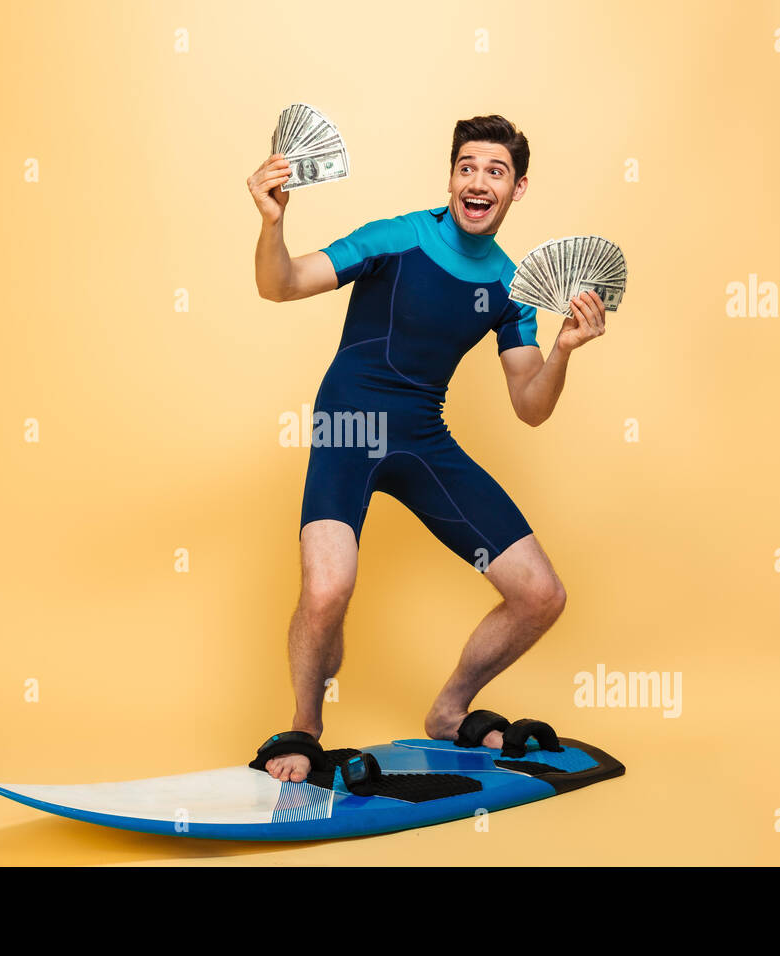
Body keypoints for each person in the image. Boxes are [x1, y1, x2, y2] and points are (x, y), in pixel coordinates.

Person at [246, 114, 608, 782]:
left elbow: (529, 406)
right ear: (450, 176)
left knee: (541, 594)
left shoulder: (510, 286)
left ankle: (449, 711)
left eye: (494, 171)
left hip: (421, 438)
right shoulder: (397, 238)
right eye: (466, 166)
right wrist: (273, 222)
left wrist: (562, 348)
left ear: (517, 188)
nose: (477, 181)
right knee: (328, 592)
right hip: (348, 425)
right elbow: (282, 284)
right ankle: (302, 728)